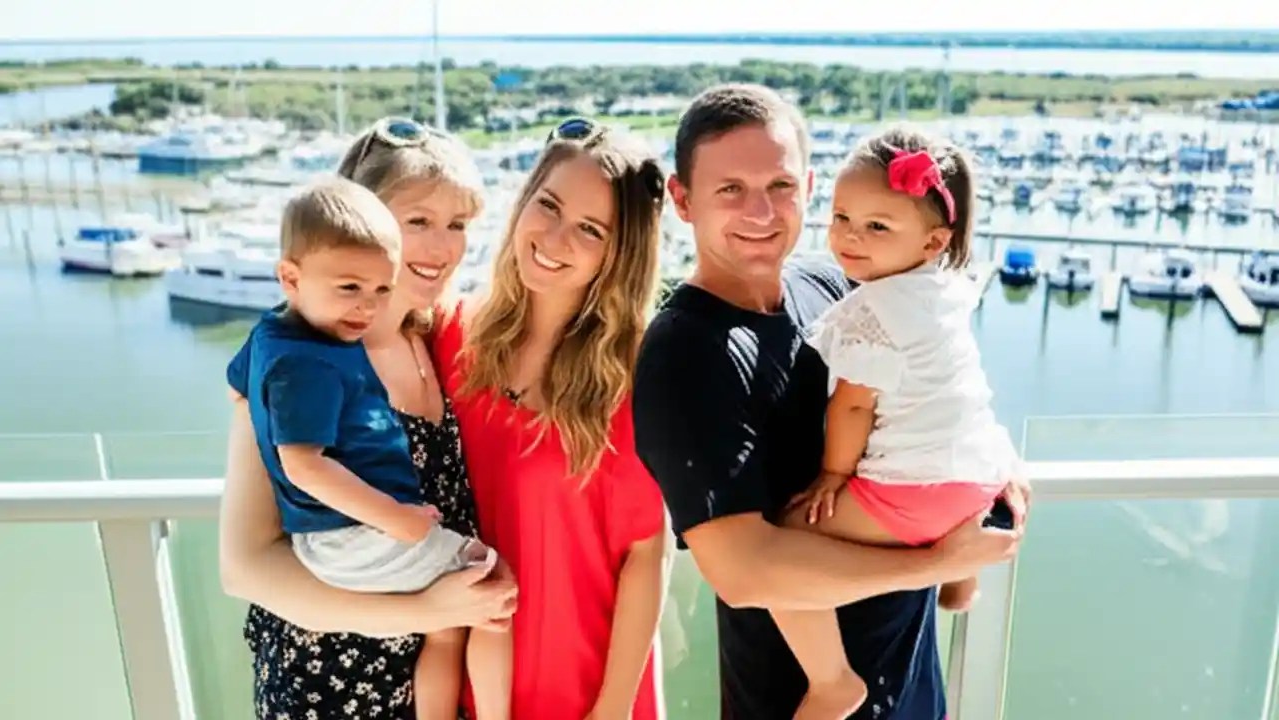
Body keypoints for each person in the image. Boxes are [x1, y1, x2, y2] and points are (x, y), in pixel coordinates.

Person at [632, 83, 1030, 719]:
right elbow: (744, 571)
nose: (762, 211)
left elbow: (933, 374)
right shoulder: (685, 356)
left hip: (909, 687)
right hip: (791, 703)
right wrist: (939, 562)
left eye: (781, 186)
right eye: (730, 189)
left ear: (811, 187)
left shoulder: (833, 285)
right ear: (683, 200)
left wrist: (994, 462)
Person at [219, 117, 517, 720]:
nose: (441, 248)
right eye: (417, 222)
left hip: (433, 682)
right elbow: (244, 569)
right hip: (327, 687)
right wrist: (427, 613)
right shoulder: (298, 358)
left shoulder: (440, 339)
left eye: (456, 225)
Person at [769, 126, 1026, 718]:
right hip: (979, 479)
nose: (849, 238)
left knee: (785, 549)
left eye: (877, 227)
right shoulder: (944, 290)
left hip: (916, 491)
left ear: (934, 240)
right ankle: (962, 582)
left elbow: (853, 405)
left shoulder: (870, 312)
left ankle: (831, 679)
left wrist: (834, 474)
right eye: (840, 218)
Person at [431, 117, 670, 720]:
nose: (554, 237)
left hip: (589, 693)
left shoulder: (636, 377)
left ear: (620, 253)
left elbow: (648, 555)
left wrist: (612, 709)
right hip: (466, 689)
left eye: (589, 229)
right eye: (549, 205)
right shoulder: (450, 334)